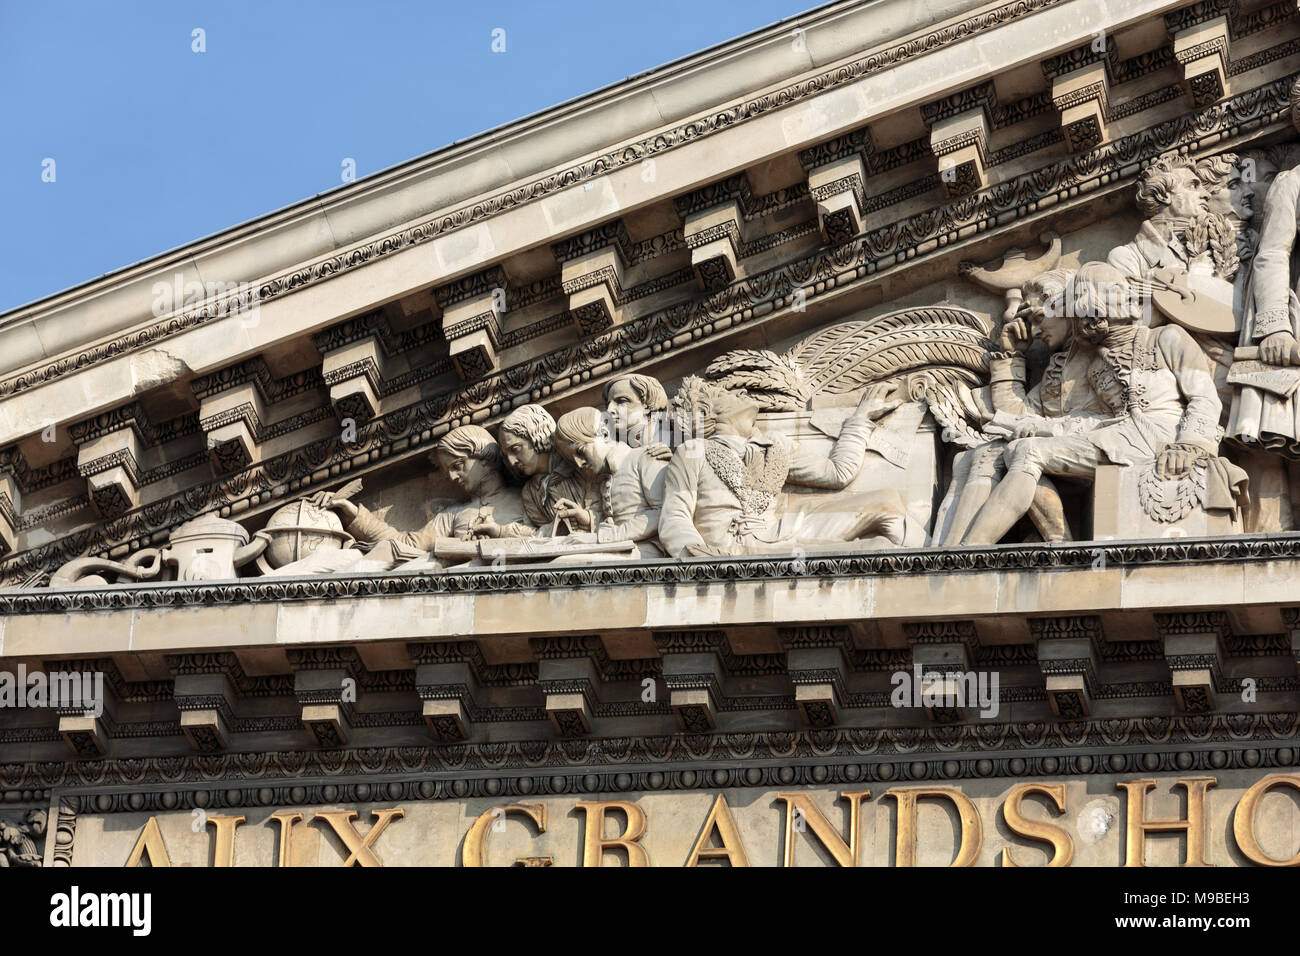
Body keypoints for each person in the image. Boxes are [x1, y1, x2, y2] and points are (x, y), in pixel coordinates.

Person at [962, 262, 1237, 544]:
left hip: (1163, 434)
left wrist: (1190, 446)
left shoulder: (1167, 337)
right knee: (1024, 448)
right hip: (1122, 435)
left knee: (1030, 453)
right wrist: (1044, 428)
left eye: (1083, 309)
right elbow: (1100, 421)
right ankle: (1057, 544)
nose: (1081, 320)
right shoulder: (1096, 366)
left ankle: (973, 549)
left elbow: (1204, 397)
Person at [657, 378, 906, 557]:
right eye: (727, 394)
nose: (741, 391)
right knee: (869, 549)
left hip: (778, 529)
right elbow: (675, 516)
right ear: (705, 411)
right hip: (731, 546)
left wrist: (860, 419)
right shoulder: (693, 452)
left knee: (888, 505)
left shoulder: (776, 444)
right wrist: (695, 557)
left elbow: (837, 473)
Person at [551, 406, 669, 557]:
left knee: (568, 562)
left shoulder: (645, 457)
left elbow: (664, 511)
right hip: (620, 549)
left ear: (604, 434)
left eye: (580, 452)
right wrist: (588, 519)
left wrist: (602, 538)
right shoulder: (605, 477)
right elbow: (617, 518)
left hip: (646, 551)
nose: (580, 464)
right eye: (573, 461)